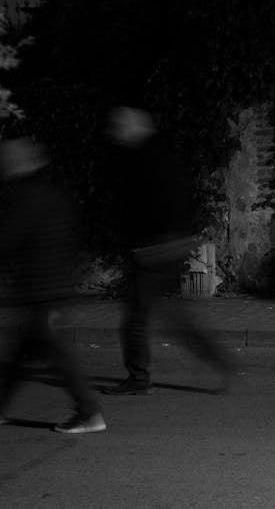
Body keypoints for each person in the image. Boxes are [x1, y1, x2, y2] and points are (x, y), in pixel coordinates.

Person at [0, 138, 106, 434]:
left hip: (41, 289)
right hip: (54, 285)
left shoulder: (23, 198)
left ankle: (88, 411)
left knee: (54, 351)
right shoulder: (55, 195)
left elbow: (3, 243)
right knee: (24, 350)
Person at [101, 105, 233, 396]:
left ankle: (138, 378)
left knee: (136, 318)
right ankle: (219, 361)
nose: (116, 132)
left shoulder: (145, 159)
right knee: (175, 317)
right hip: (168, 248)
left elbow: (143, 207)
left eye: (121, 126)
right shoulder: (163, 155)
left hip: (152, 250)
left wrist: (140, 242)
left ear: (137, 125)